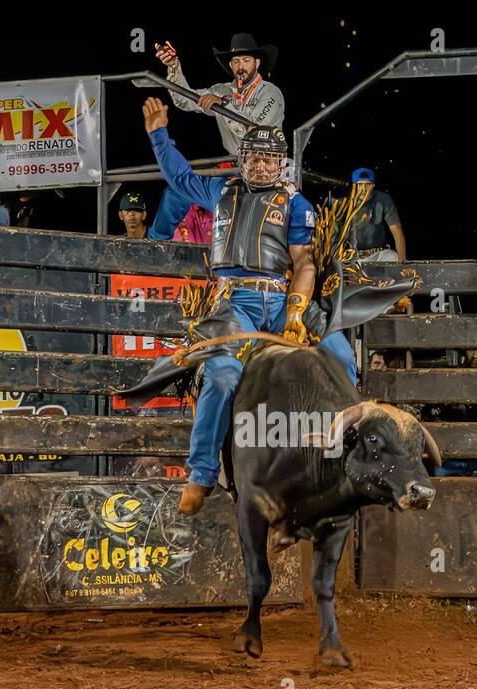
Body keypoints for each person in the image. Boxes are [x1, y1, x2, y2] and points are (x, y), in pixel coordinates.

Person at [143, 96, 355, 515]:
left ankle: (343, 450)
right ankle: (201, 474)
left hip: (281, 296)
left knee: (341, 354)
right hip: (233, 299)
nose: (261, 166)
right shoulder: (221, 191)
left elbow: (305, 263)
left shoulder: (296, 205)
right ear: (243, 160)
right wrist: (158, 136)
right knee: (221, 376)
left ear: (281, 165)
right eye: (254, 158)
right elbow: (179, 175)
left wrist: (295, 313)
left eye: (269, 159)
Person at [150, 33, 285, 240]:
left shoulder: (271, 94)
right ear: (231, 65)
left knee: (246, 222)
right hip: (234, 170)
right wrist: (174, 67)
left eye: (246, 60)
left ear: (257, 62)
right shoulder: (223, 90)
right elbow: (185, 100)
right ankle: (155, 244)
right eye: (236, 61)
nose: (241, 66)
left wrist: (222, 105)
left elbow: (255, 132)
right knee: (176, 191)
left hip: (264, 174)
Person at [347, 168, 406, 261]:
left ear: (373, 185)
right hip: (354, 257)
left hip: (379, 254)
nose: (363, 189)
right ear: (354, 186)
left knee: (393, 257)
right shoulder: (345, 203)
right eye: (360, 185)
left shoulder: (383, 199)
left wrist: (403, 262)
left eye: (368, 185)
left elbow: (397, 231)